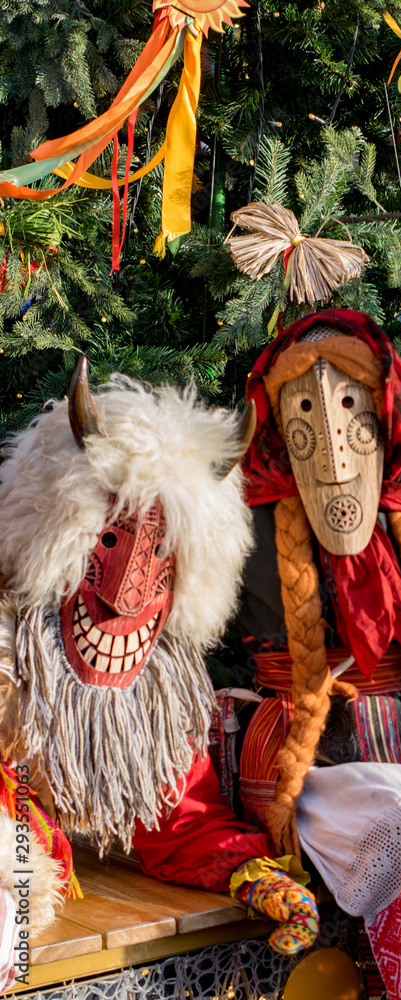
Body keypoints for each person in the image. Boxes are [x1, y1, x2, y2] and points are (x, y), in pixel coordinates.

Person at [136, 309, 401, 1000]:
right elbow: (187, 648)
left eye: (350, 405)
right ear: (275, 415)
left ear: (387, 404)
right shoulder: (237, 516)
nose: (331, 439)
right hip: (307, 765)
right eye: (305, 407)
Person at [0, 363, 263, 988]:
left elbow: (177, 813)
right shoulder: (14, 645)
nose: (124, 596)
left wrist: (248, 870)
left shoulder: (160, 684)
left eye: (158, 552)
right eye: (112, 543)